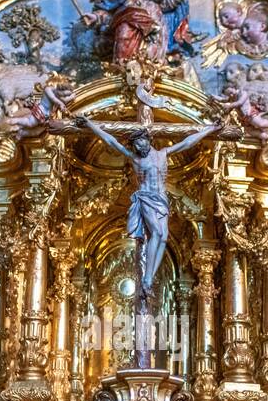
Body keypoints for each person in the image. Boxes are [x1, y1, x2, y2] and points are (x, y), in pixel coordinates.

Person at [75, 115, 220, 294]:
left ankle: (149, 276)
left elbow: (187, 142)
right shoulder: (135, 158)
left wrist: (210, 129)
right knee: (157, 233)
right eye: (135, 145)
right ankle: (147, 278)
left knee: (164, 237)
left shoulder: (163, 154)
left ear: (148, 139)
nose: (138, 147)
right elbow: (110, 141)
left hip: (162, 198)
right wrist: (89, 124)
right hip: (146, 197)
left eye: (141, 143)